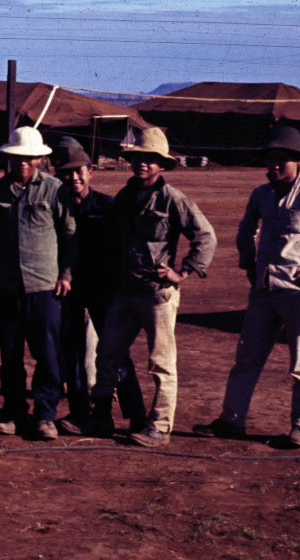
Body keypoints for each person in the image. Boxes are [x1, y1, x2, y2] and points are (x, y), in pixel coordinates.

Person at [194, 126, 300, 448]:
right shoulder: (261, 195)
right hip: (262, 291)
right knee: (246, 358)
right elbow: (246, 230)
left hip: (297, 293)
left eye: (281, 160)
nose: (273, 166)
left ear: (299, 162)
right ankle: (232, 420)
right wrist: (249, 264)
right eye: (269, 160)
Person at [91, 127, 216, 447]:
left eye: (150, 159)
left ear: (162, 164)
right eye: (138, 158)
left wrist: (183, 272)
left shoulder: (173, 199)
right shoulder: (124, 197)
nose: (142, 164)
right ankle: (101, 416)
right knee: (107, 353)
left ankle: (159, 426)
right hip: (125, 290)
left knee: (161, 362)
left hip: (157, 294)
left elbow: (205, 236)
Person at [0, 127, 75, 441]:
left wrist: (66, 274)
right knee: (10, 355)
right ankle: (13, 411)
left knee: (48, 355)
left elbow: (69, 235)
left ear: (40, 159)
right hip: (7, 287)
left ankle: (45, 415)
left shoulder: (55, 190)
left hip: (45, 288)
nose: (22, 163)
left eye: (29, 158)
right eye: (17, 157)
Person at [52, 140, 147, 437]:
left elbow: (124, 245)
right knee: (72, 352)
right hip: (67, 291)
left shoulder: (108, 206)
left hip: (104, 290)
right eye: (66, 172)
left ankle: (137, 415)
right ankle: (81, 412)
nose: (73, 178)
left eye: (79, 171)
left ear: (91, 171)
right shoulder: (54, 207)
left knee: (115, 351)